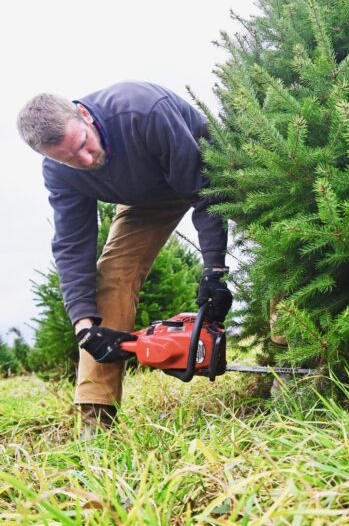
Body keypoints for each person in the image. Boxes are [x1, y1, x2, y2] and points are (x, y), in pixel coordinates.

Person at [17, 81, 232, 431]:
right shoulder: (59, 174)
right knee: (113, 275)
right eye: (71, 159)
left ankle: (292, 359)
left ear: (84, 115)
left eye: (84, 145)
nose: (86, 161)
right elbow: (73, 247)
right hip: (145, 200)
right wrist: (85, 328)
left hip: (208, 170)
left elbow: (205, 193)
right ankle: (95, 417)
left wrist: (214, 271)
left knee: (273, 227)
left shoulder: (143, 111)